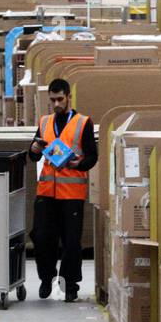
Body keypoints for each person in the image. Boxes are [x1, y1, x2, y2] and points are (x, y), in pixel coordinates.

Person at [29, 78, 97, 301]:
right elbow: (34, 155)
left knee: (71, 242)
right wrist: (34, 148)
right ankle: (46, 278)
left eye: (60, 99)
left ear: (69, 97)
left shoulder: (83, 122)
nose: (56, 104)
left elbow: (92, 157)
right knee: (41, 237)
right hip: (46, 192)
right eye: (52, 100)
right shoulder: (45, 122)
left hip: (71, 194)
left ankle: (69, 285)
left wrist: (80, 164)